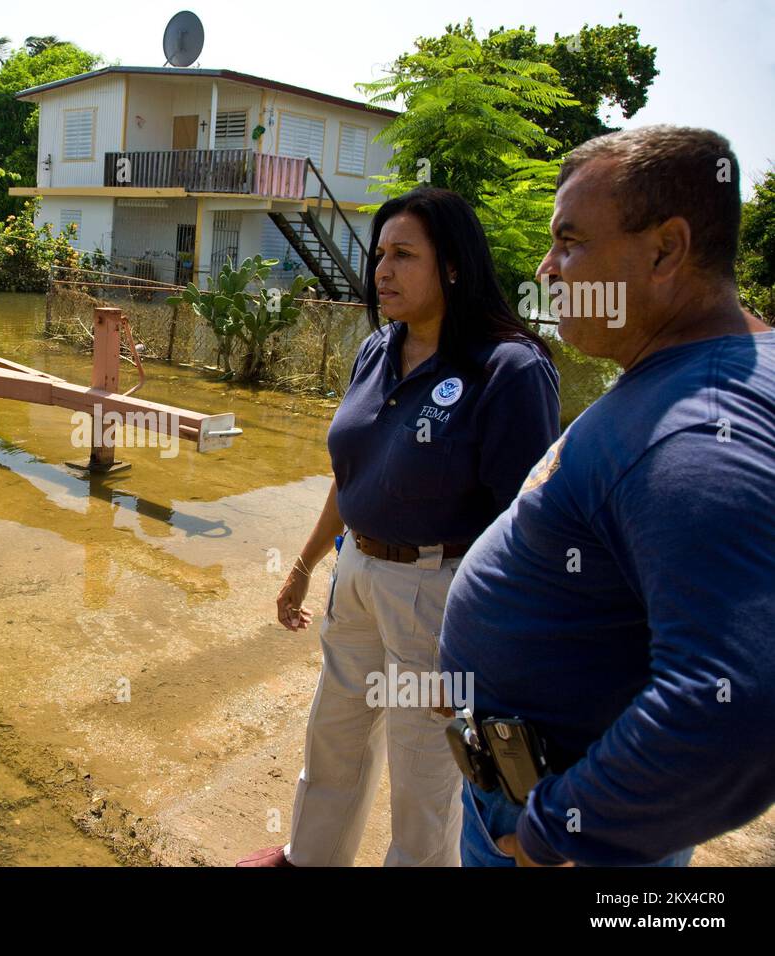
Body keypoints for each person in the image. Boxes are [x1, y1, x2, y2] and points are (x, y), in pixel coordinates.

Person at [440, 125, 775, 867]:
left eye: (570, 242)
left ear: (666, 250)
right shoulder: (709, 371)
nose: (546, 267)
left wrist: (552, 832)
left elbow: (735, 707)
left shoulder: (693, 431)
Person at [238, 188, 560, 867]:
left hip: (435, 594)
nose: (382, 270)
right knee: (335, 739)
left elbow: (526, 529)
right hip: (356, 572)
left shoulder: (508, 368)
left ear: (452, 266)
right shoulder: (379, 348)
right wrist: (304, 566)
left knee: (424, 773)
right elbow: (352, 472)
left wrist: (489, 645)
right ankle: (310, 857)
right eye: (379, 254)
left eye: (404, 255)